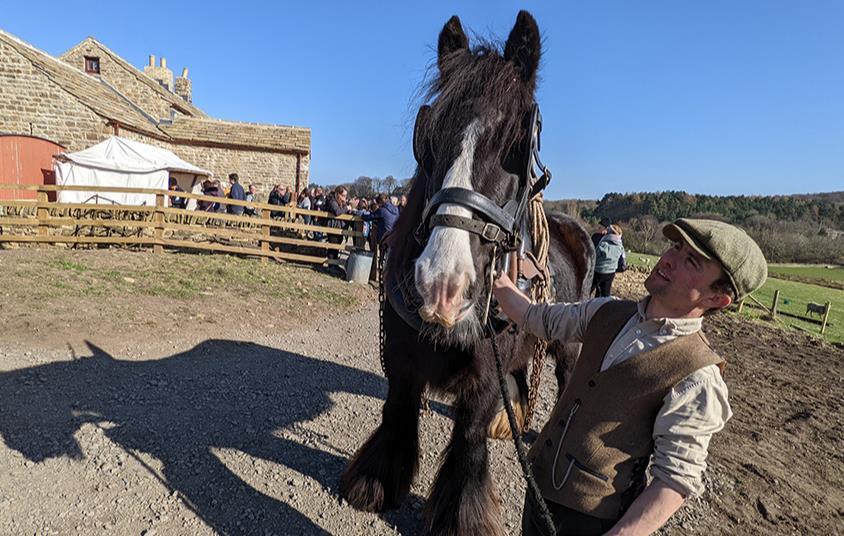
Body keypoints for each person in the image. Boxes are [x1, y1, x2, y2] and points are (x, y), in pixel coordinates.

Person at [492, 219, 767, 536]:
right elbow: (535, 317)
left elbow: (674, 481)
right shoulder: (606, 311)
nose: (668, 259)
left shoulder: (699, 376)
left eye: (690, 261)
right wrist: (495, 278)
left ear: (716, 299)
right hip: (538, 491)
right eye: (675, 247)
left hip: (592, 522)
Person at [592, 224, 627, 297]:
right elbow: (622, 259)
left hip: (598, 271)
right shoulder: (620, 246)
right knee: (605, 293)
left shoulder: (603, 243)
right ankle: (602, 306)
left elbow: (596, 256)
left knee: (589, 289)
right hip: (611, 273)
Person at [325, 186, 350, 261]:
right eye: (343, 195)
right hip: (333, 226)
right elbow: (337, 212)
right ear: (337, 194)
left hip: (339, 227)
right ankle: (331, 265)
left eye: (345, 196)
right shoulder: (332, 201)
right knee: (333, 246)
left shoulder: (340, 202)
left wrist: (345, 204)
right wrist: (346, 208)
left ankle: (334, 264)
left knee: (337, 246)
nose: (344, 197)